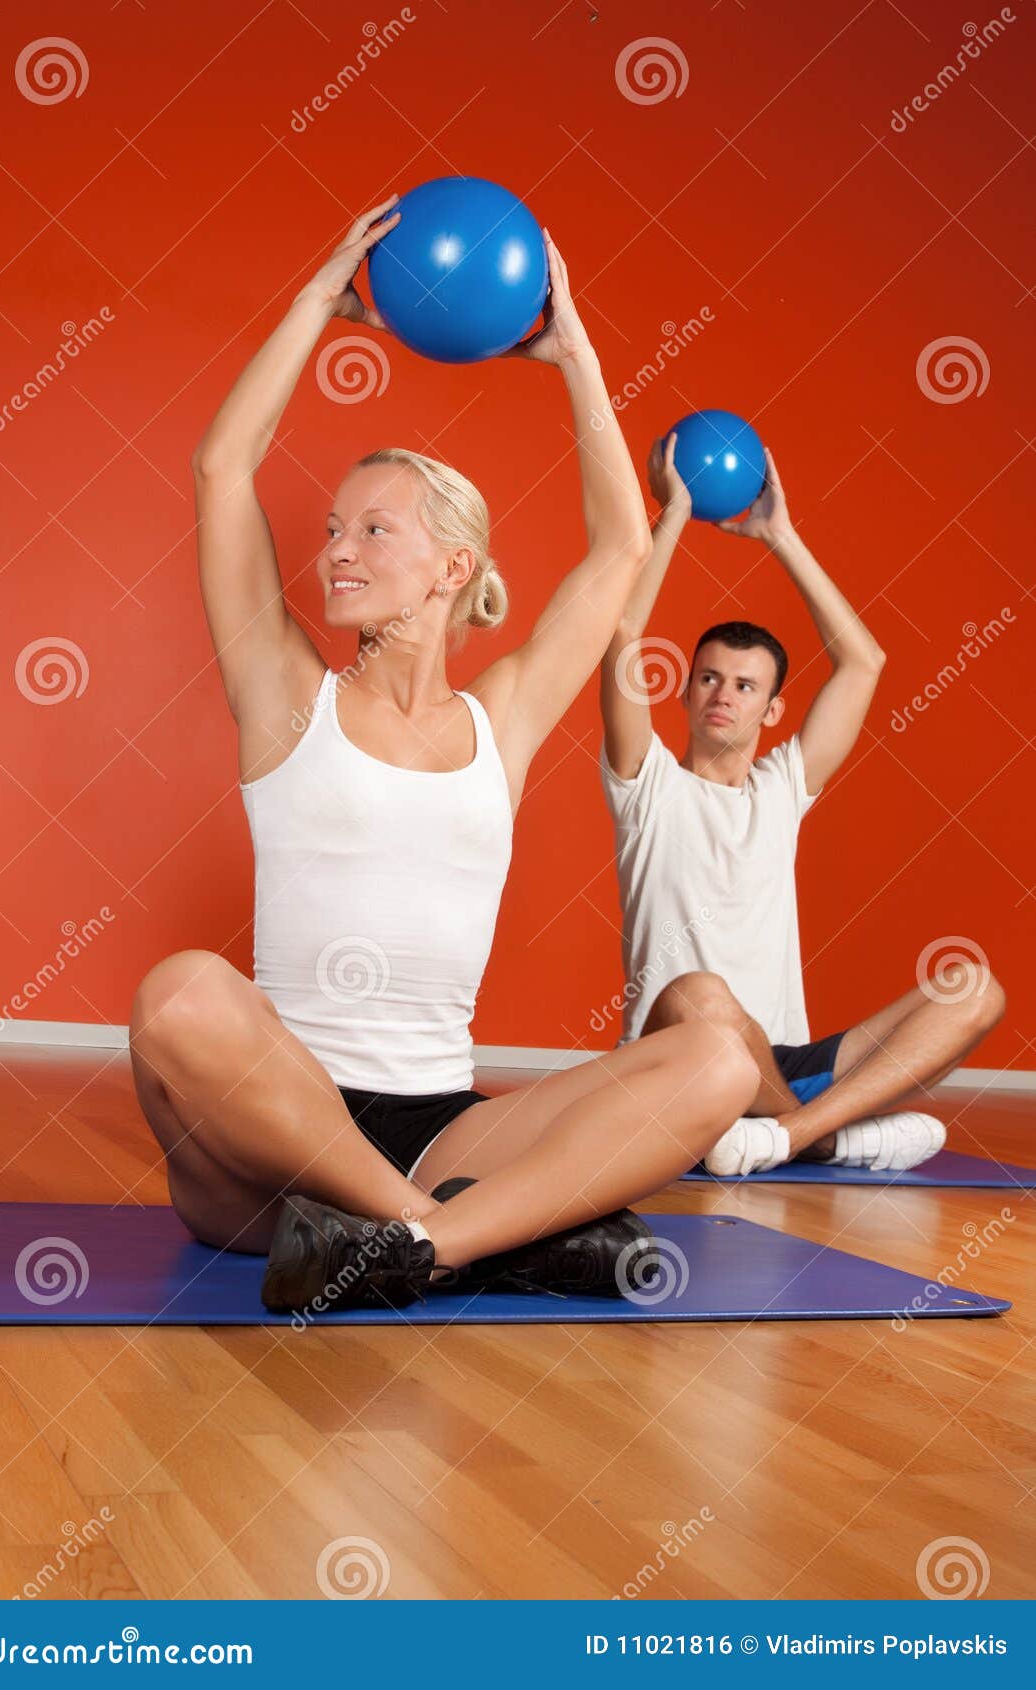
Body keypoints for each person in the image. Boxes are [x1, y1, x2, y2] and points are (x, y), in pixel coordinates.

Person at [128, 195, 760, 1314]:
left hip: (445, 1126)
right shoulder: (286, 694)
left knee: (715, 1057)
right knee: (180, 995)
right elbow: (223, 469)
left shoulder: (498, 719)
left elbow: (621, 545)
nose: (335, 549)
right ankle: (469, 1236)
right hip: (266, 1150)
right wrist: (317, 304)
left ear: (450, 566)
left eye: (373, 529)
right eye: (331, 529)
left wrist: (572, 351)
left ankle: (418, 1241)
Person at [597, 432, 1006, 1176]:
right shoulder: (645, 782)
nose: (723, 696)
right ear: (683, 691)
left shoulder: (781, 787)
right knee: (700, 993)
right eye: (710, 679)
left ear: (773, 711)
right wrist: (670, 520)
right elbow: (621, 632)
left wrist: (779, 537)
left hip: (787, 1059)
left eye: (745, 686)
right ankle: (823, 1139)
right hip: (679, 1051)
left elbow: (864, 661)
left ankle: (783, 1135)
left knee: (973, 989)